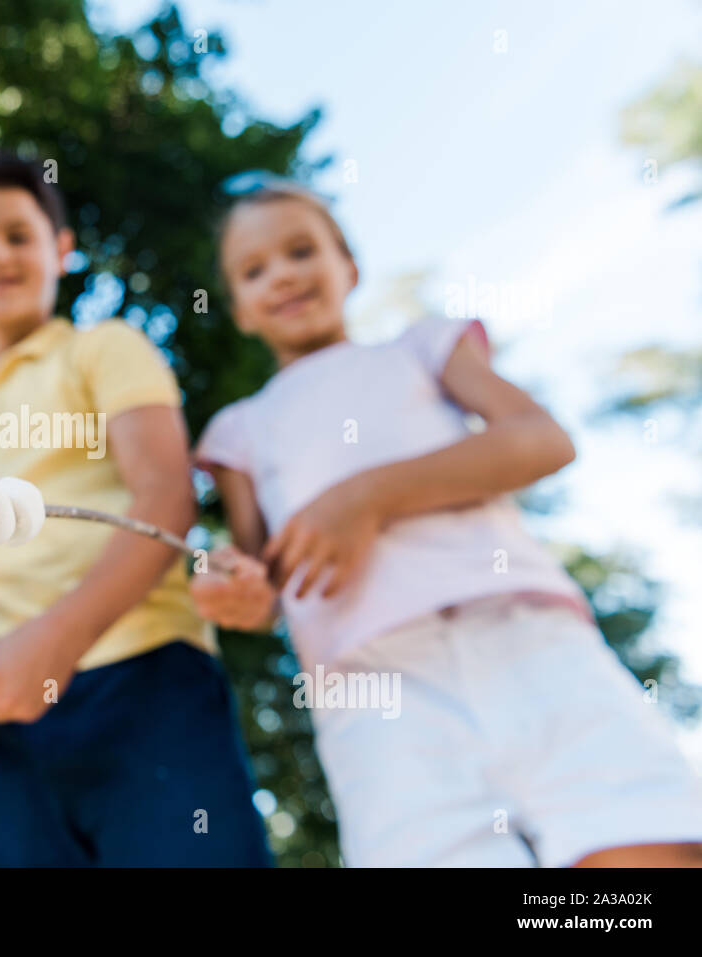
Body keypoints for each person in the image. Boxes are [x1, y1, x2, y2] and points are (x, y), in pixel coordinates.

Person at [190, 183, 702, 867]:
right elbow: (262, 580)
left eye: (301, 250)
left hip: (525, 633)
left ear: (351, 266)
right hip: (370, 690)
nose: (281, 273)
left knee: (640, 852)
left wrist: (367, 496)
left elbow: (542, 439)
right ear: (238, 312)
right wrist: (235, 589)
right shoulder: (240, 430)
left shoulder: (422, 347)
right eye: (254, 270)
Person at [0, 152, 272, 866]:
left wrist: (52, 643)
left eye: (18, 234)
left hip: (143, 676)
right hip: (0, 721)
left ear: (62, 249)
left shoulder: (105, 348)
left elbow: (166, 498)